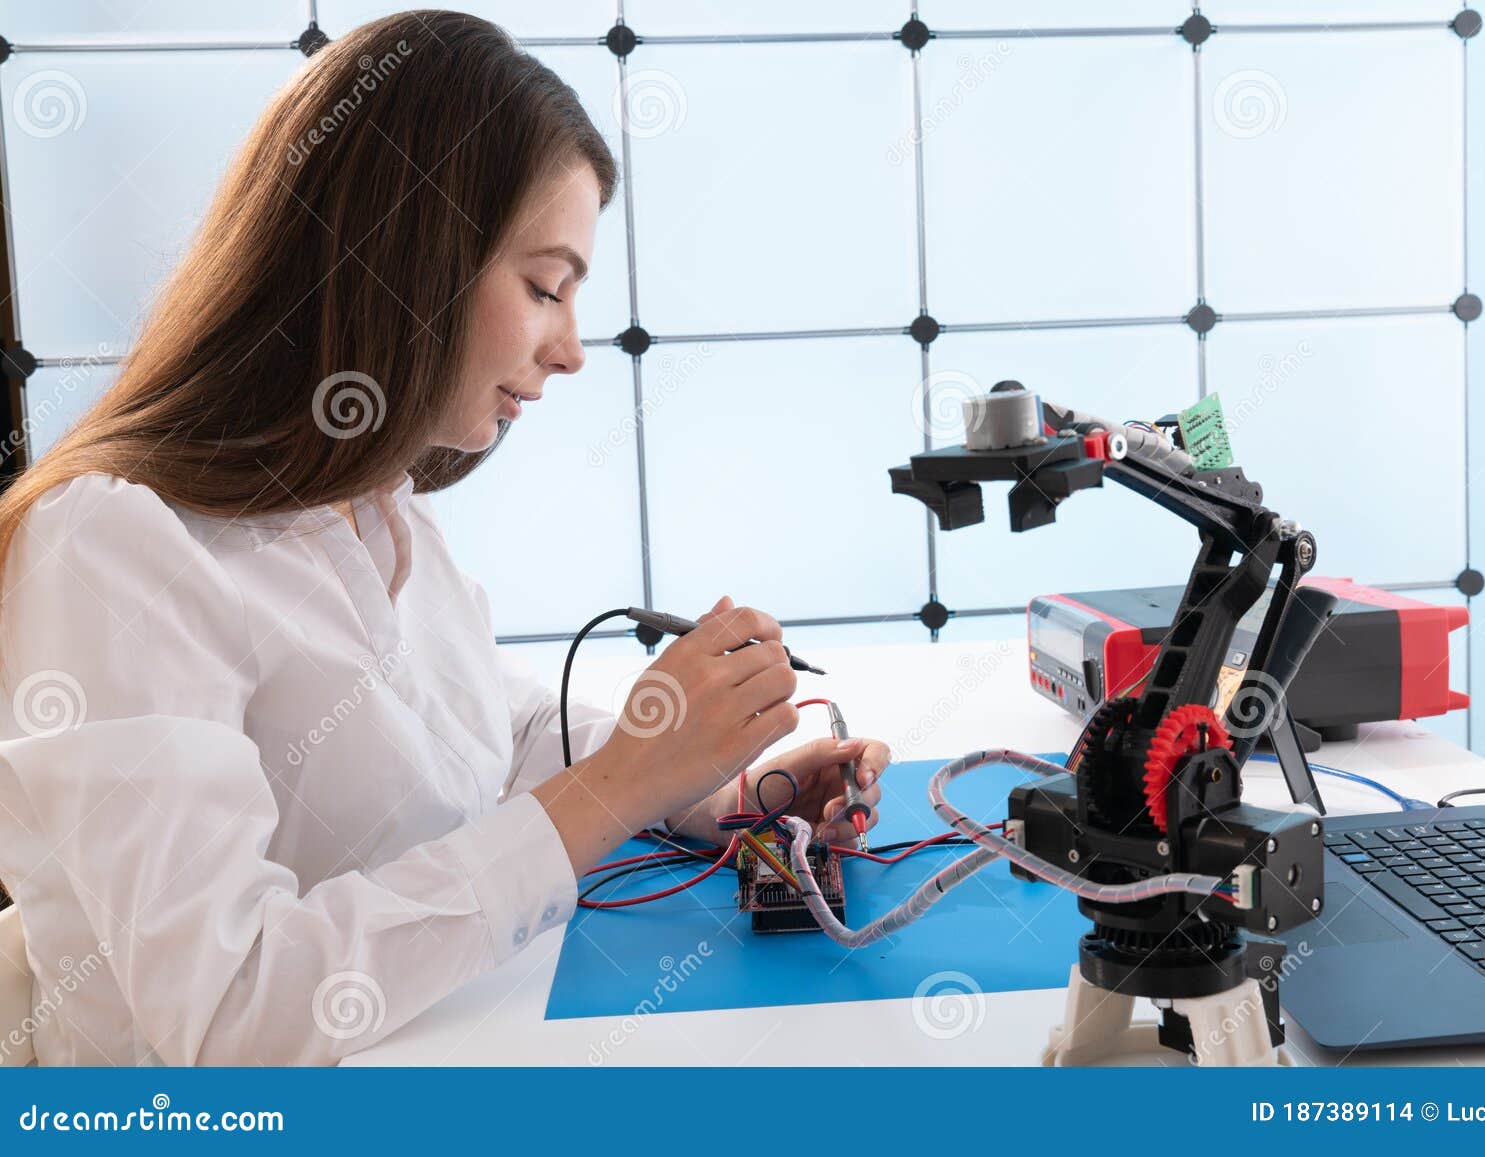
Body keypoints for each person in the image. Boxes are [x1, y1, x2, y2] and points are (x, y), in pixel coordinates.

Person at [0, 10, 889, 1065]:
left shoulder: (373, 505)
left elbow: (487, 736)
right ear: (404, 259)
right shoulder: (111, 545)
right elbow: (228, 1013)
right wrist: (618, 786)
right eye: (545, 287)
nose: (569, 350)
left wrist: (714, 786)